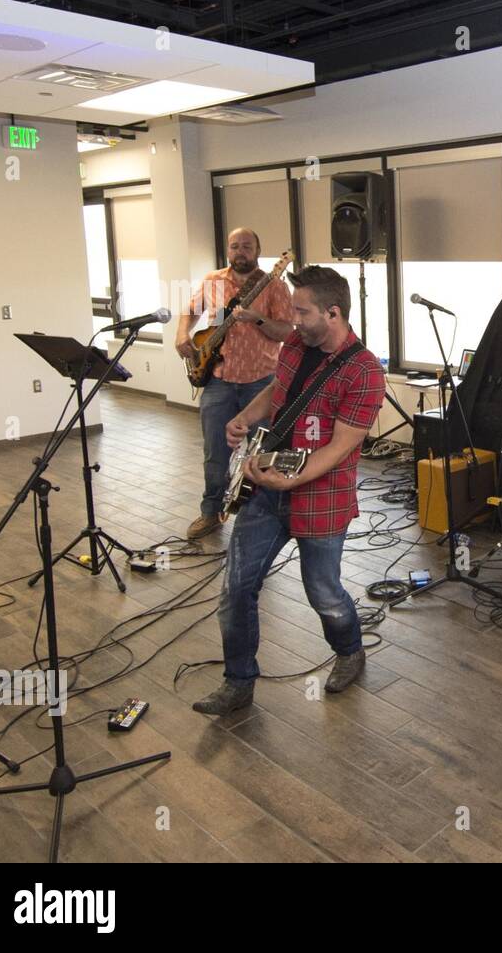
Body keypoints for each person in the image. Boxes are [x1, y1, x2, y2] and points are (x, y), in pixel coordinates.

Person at [192, 265, 385, 715]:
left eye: (301, 311)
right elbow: (279, 391)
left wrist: (292, 479)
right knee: (236, 588)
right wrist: (247, 418)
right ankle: (238, 682)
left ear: (332, 313)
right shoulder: (298, 342)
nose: (292, 320)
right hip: (266, 490)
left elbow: (341, 446)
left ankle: (350, 649)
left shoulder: (364, 372)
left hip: (321, 496)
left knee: (323, 591)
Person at [176, 228, 295, 540]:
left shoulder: (276, 286)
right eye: (234, 246)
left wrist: (256, 318)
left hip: (261, 382)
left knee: (263, 452)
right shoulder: (212, 280)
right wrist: (182, 334)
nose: (240, 251)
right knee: (214, 451)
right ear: (227, 250)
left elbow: (287, 332)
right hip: (219, 380)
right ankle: (210, 513)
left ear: (257, 250)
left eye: (247, 246)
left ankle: (262, 514)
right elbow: (190, 310)